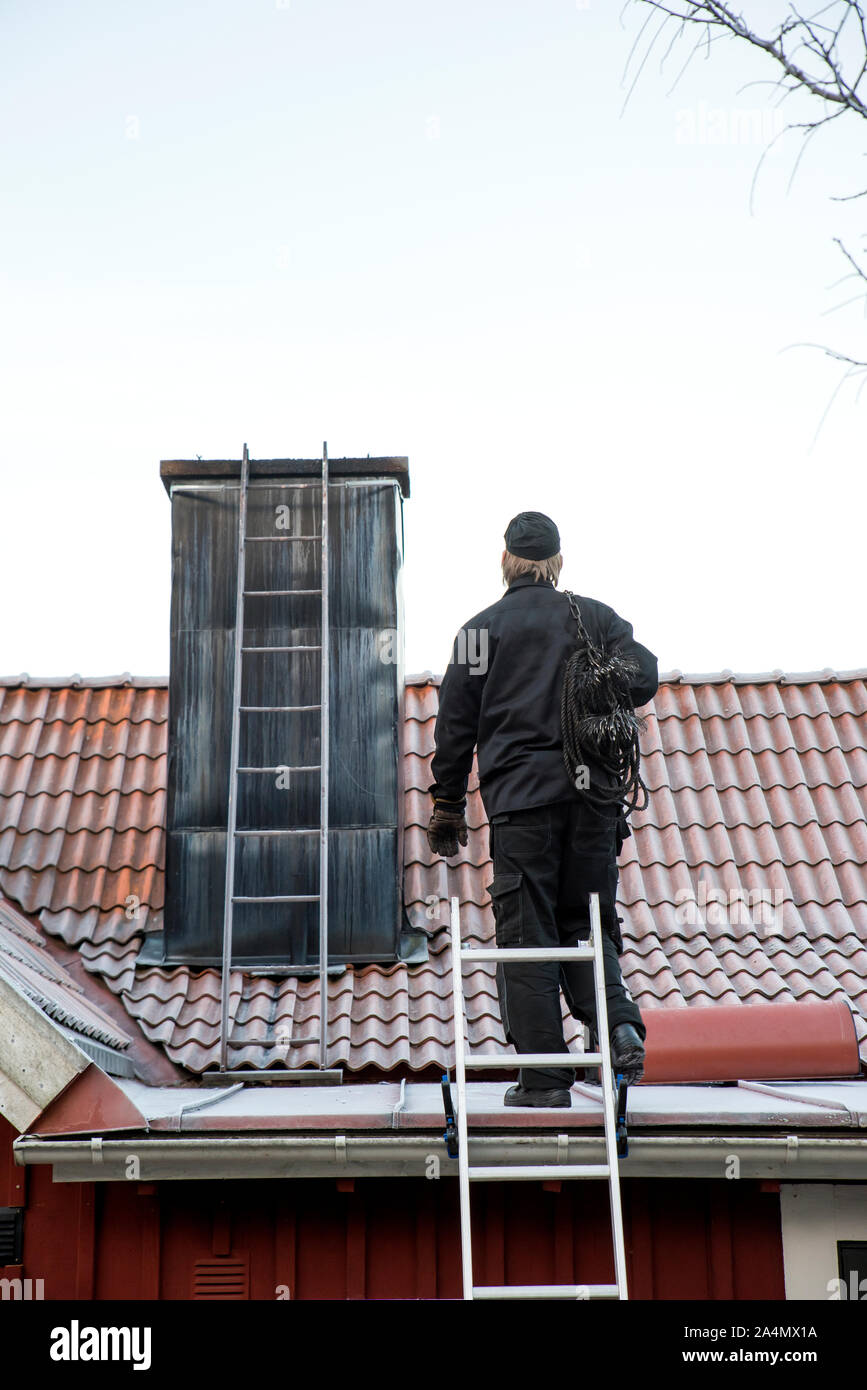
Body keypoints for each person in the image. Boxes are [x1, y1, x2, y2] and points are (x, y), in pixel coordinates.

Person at [426, 510, 658, 1107]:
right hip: (593, 804)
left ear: (506, 562)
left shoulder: (479, 633)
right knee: (586, 922)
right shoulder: (596, 620)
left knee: (529, 935)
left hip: (521, 804)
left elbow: (455, 725)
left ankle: (545, 1082)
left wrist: (448, 803)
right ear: (556, 564)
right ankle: (621, 1025)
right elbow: (644, 674)